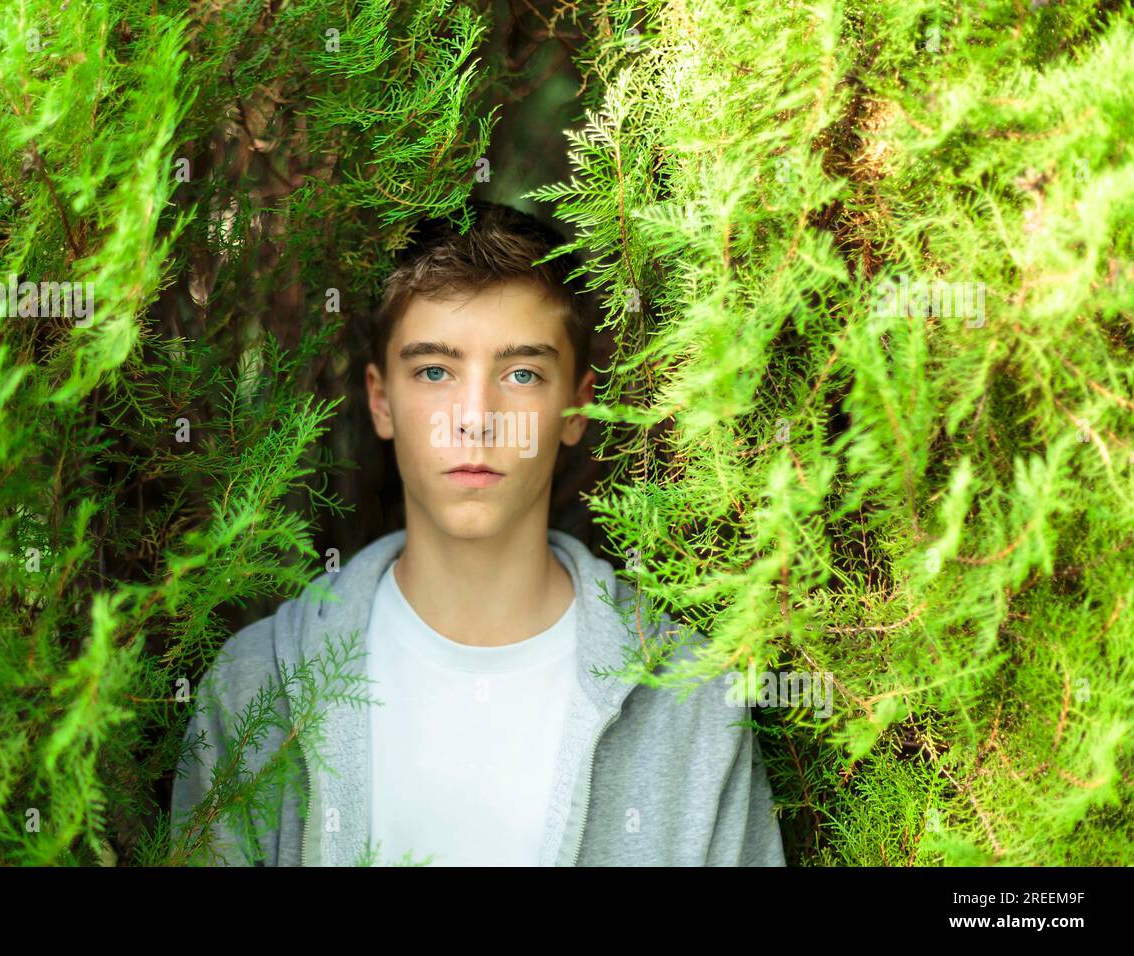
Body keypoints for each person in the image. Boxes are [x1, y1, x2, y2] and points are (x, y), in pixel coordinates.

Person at [169, 198, 786, 866]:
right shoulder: (256, 685)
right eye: (435, 371)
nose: (475, 418)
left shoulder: (689, 704)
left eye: (521, 374)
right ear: (381, 401)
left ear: (575, 407)